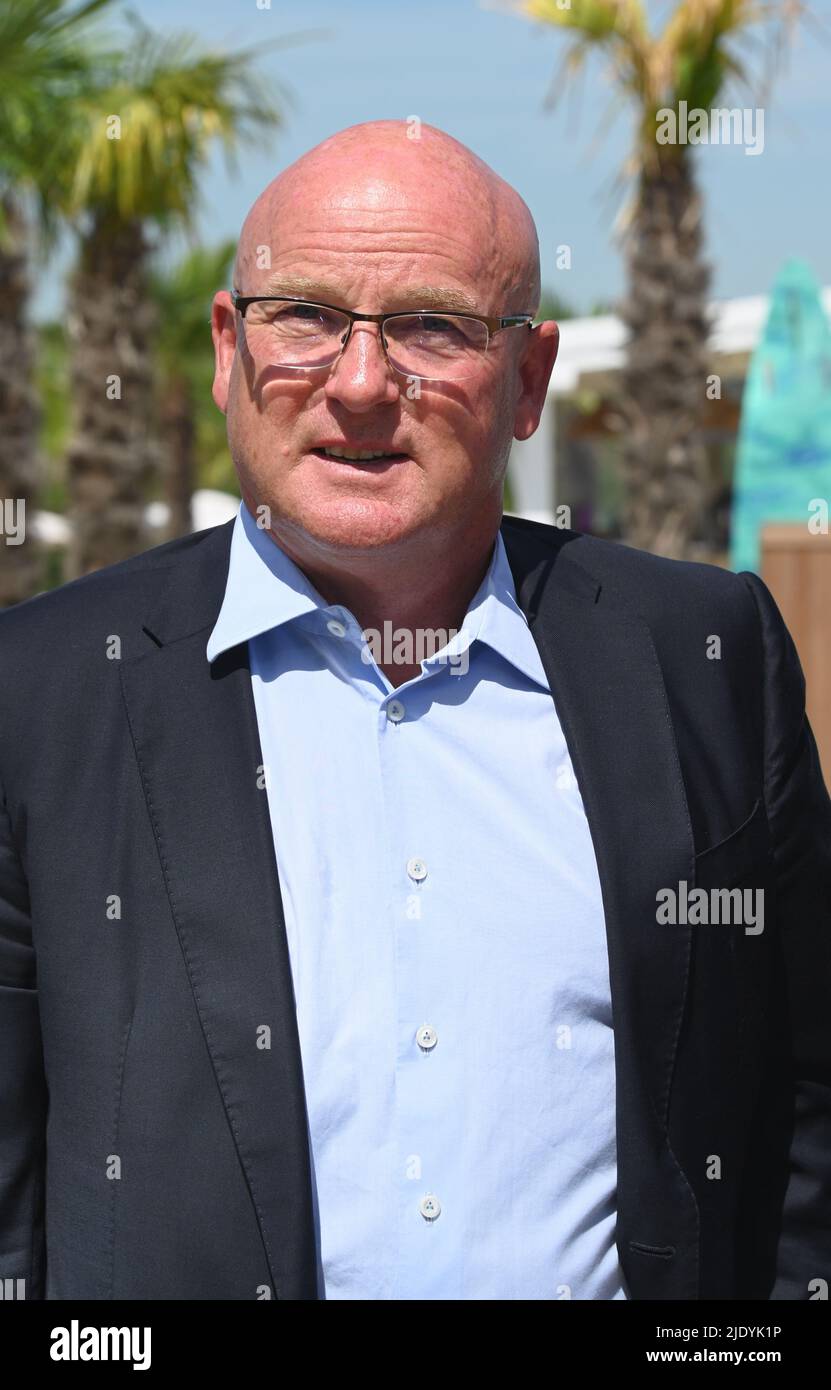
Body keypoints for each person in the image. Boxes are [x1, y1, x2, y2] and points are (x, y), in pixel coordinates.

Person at [0, 120, 828, 1301]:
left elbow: (804, 1099)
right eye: (306, 318)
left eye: (433, 327)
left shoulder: (705, 660)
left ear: (530, 382)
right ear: (229, 349)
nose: (360, 383)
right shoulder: (39, 694)